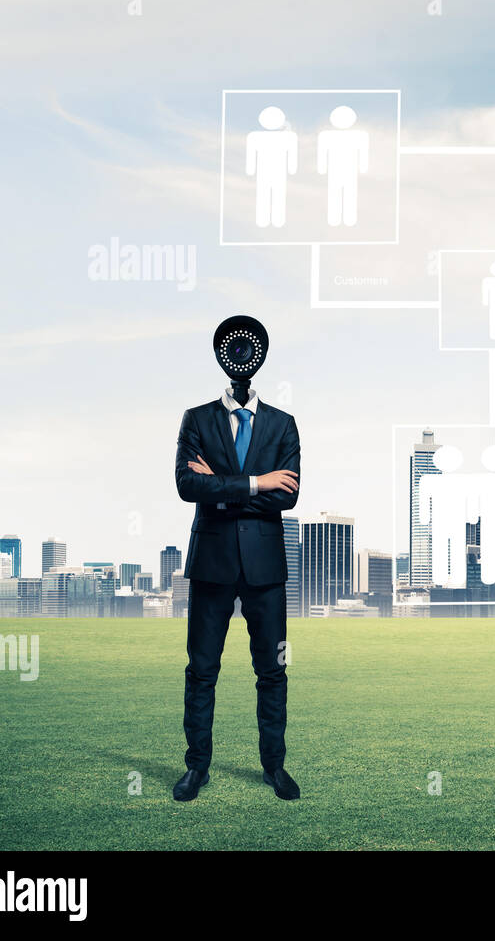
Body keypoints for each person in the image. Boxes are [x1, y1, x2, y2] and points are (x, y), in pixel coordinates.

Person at [171, 317, 302, 802]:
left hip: (266, 569)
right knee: (202, 670)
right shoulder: (196, 418)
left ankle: (274, 768)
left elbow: (287, 498)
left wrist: (222, 487)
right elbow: (188, 487)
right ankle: (196, 769)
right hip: (212, 564)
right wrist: (257, 483)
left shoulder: (283, 424)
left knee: (272, 671)